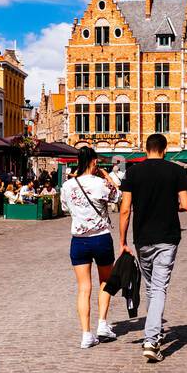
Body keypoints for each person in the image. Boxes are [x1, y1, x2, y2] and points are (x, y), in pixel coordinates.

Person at [119, 133, 187, 362]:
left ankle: (154, 334)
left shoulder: (132, 172)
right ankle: (151, 340)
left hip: (142, 238)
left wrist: (121, 241)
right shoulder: (176, 171)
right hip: (167, 237)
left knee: (152, 287)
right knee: (159, 287)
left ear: (145, 149)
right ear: (165, 149)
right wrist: (171, 209)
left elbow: (125, 209)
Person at [61, 147, 122, 349]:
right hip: (101, 238)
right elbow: (118, 196)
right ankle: (102, 324)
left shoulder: (68, 185)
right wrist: (107, 176)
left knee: (83, 289)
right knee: (106, 281)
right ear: (94, 162)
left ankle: (86, 334)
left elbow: (64, 207)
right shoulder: (100, 184)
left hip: (79, 240)